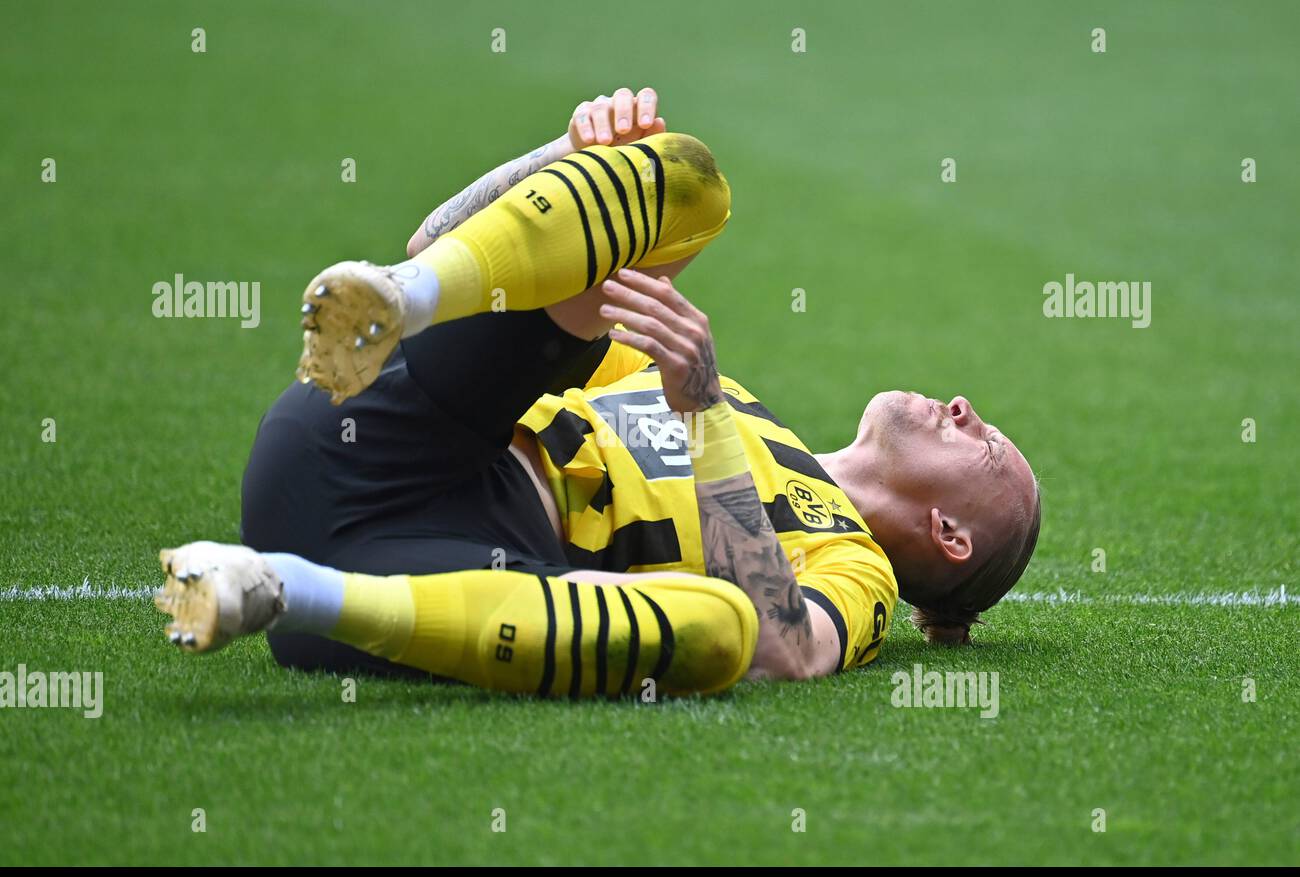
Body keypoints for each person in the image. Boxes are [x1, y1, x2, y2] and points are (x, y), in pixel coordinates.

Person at [154, 87, 1040, 698]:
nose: (963, 406)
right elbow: (449, 249)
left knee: (724, 636)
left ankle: (278, 589)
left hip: (418, 599)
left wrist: (701, 419)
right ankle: (399, 297)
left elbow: (788, 651)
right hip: (383, 436)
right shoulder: (727, 395)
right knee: (686, 180)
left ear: (952, 536)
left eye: (984, 442)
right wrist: (567, 162)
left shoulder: (857, 564)